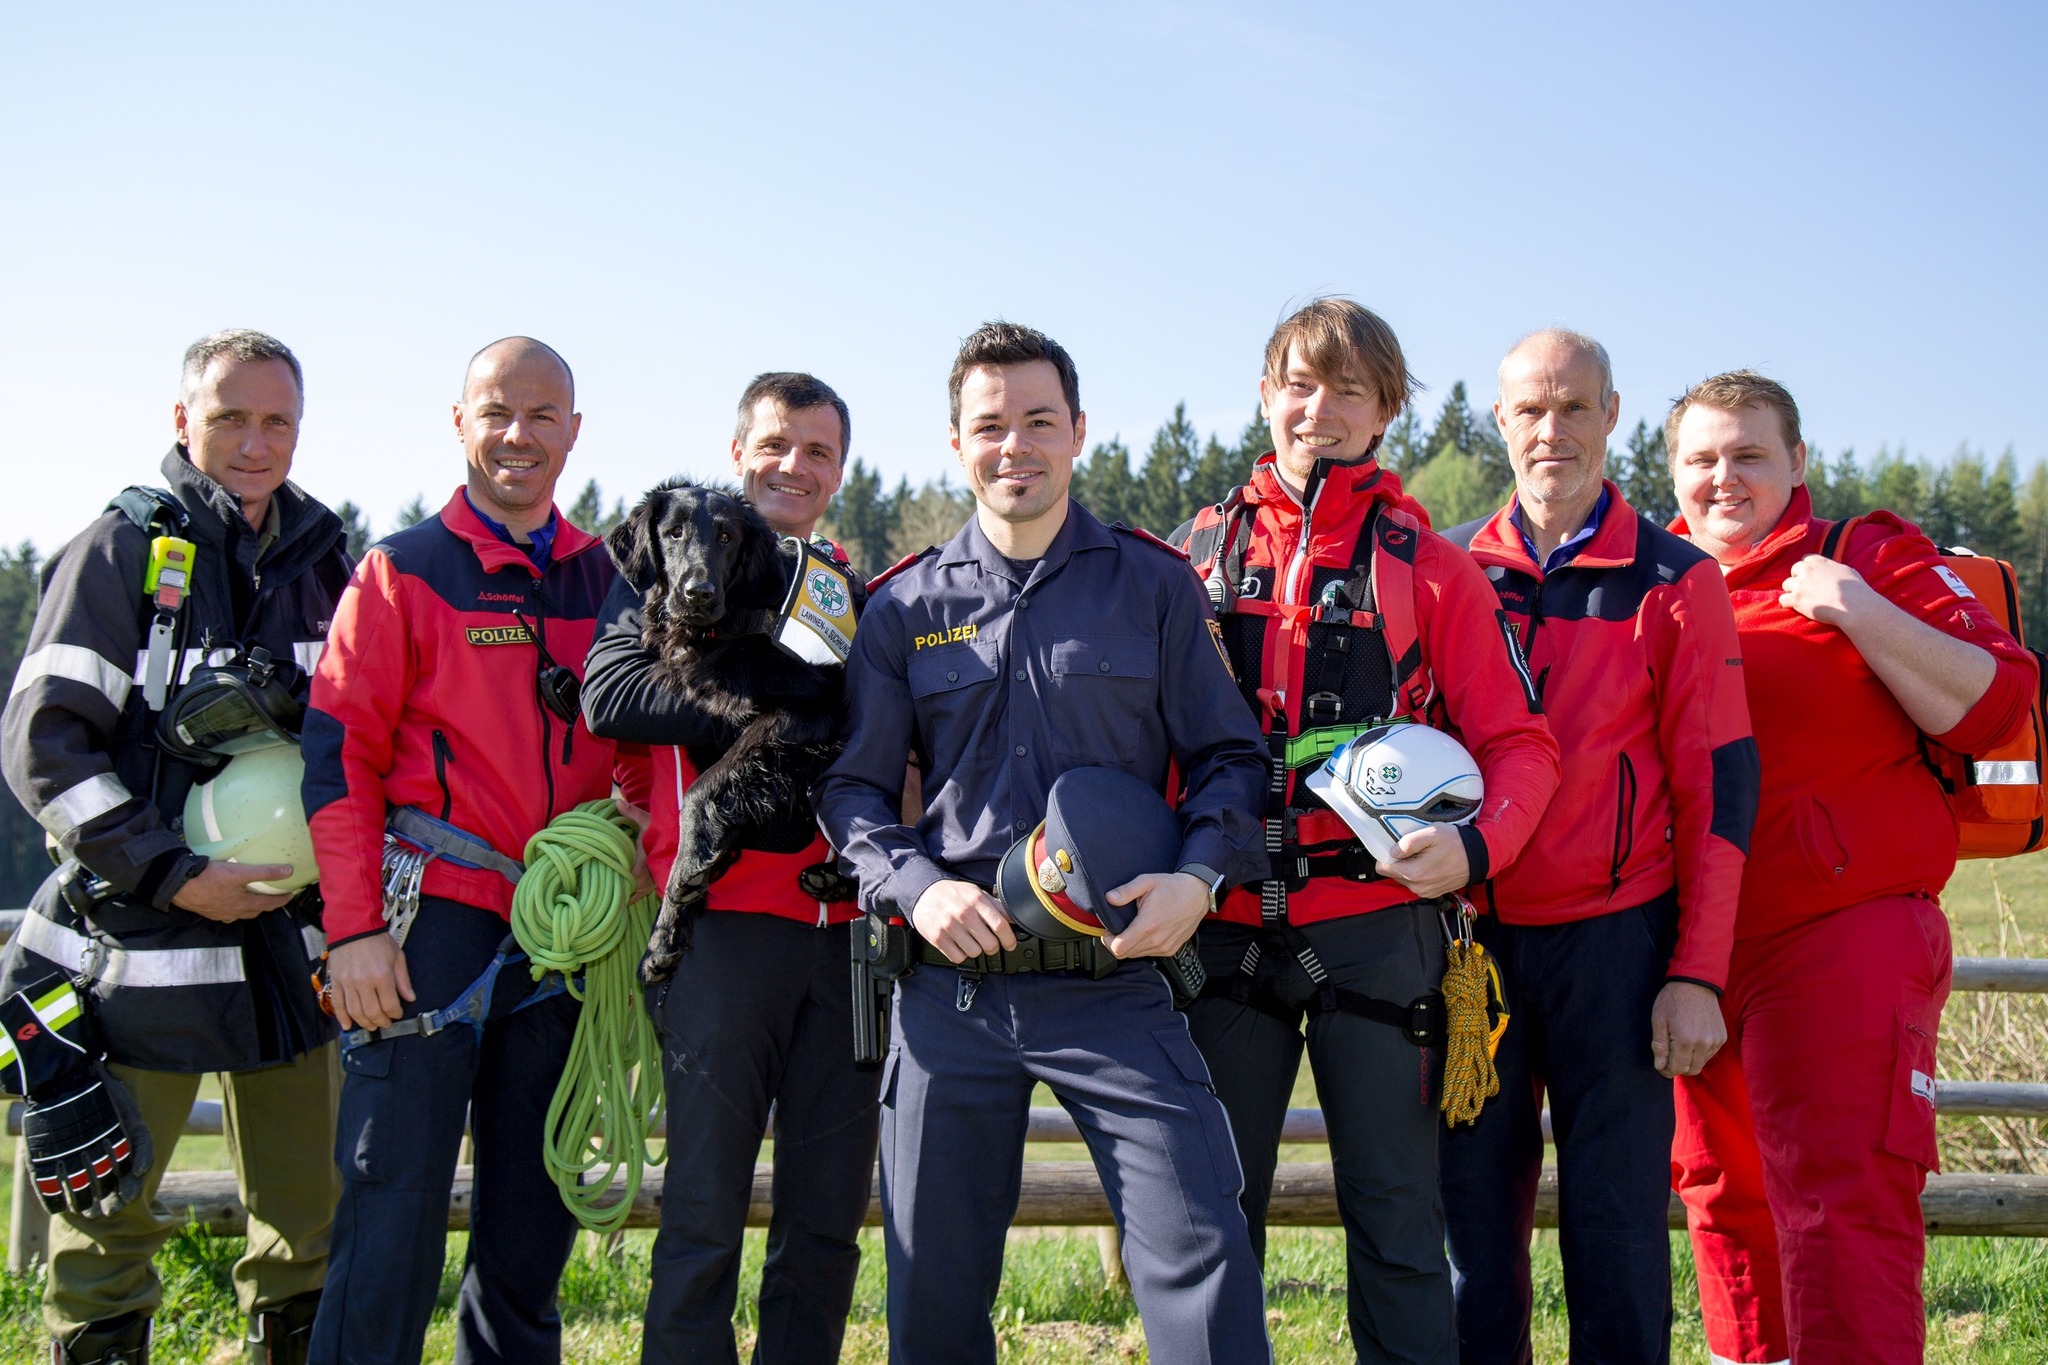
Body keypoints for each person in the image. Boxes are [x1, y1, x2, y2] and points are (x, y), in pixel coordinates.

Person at [815, 321, 1274, 1365]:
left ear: (1077, 433)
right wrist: (916, 886)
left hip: (1116, 981)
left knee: (1200, 1261)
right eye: (989, 426)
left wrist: (1200, 878)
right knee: (930, 1298)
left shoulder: (1155, 588)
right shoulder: (902, 608)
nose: (1012, 445)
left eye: (1036, 421)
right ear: (955, 444)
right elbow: (851, 793)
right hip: (951, 991)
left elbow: (1230, 761)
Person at [1169, 297, 1562, 1363]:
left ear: (1385, 408)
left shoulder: (1431, 569)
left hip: (1384, 929)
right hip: (1220, 928)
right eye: (1298, 383)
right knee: (1210, 1219)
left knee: (1396, 1222)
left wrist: (1474, 850)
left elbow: (1523, 747)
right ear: (1264, 394)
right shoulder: (1191, 555)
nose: (1319, 409)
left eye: (1348, 389)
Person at [1664, 370, 2037, 1365]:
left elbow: (1998, 703)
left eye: (1748, 453)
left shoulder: (1860, 554)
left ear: (1796, 462)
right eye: (1700, 459)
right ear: (1671, 476)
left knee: (1837, 1199)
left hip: (1841, 928)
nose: (1724, 477)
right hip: (1694, 948)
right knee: (1720, 1197)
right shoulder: (1656, 582)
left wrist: (1858, 609)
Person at [0, 329, 352, 1365]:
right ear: (181, 420)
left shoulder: (324, 564)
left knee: (309, 1219)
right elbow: (42, 745)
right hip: (138, 950)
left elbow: (360, 750)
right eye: (230, 416)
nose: (255, 441)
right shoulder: (117, 554)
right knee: (108, 1221)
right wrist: (174, 874)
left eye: (276, 419)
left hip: (291, 960)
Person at [303, 337, 646, 1364]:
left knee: (528, 1228)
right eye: (497, 411)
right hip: (427, 927)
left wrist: (634, 853)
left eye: (543, 416)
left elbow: (646, 756)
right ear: (459, 424)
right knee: (390, 1207)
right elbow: (338, 758)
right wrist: (354, 929)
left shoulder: (614, 584)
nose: (518, 435)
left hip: (566, 934)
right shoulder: (402, 573)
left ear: (573, 433)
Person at [1437, 330, 1757, 1362]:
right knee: (1470, 1228)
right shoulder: (1449, 572)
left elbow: (1719, 789)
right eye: (1530, 409)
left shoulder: (1674, 579)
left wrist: (1694, 974)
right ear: (1498, 422)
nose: (1550, 431)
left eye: (1573, 407)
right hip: (1470, 946)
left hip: (1615, 944)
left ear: (1611, 415)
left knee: (1615, 1230)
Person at [581, 372, 881, 1364]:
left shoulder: (850, 595)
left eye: (816, 451)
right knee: (702, 1212)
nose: (792, 466)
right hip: (720, 938)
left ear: (838, 470)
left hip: (849, 948)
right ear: (738, 454)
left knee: (824, 1219)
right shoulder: (668, 598)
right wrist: (778, 713)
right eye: (773, 445)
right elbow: (610, 696)